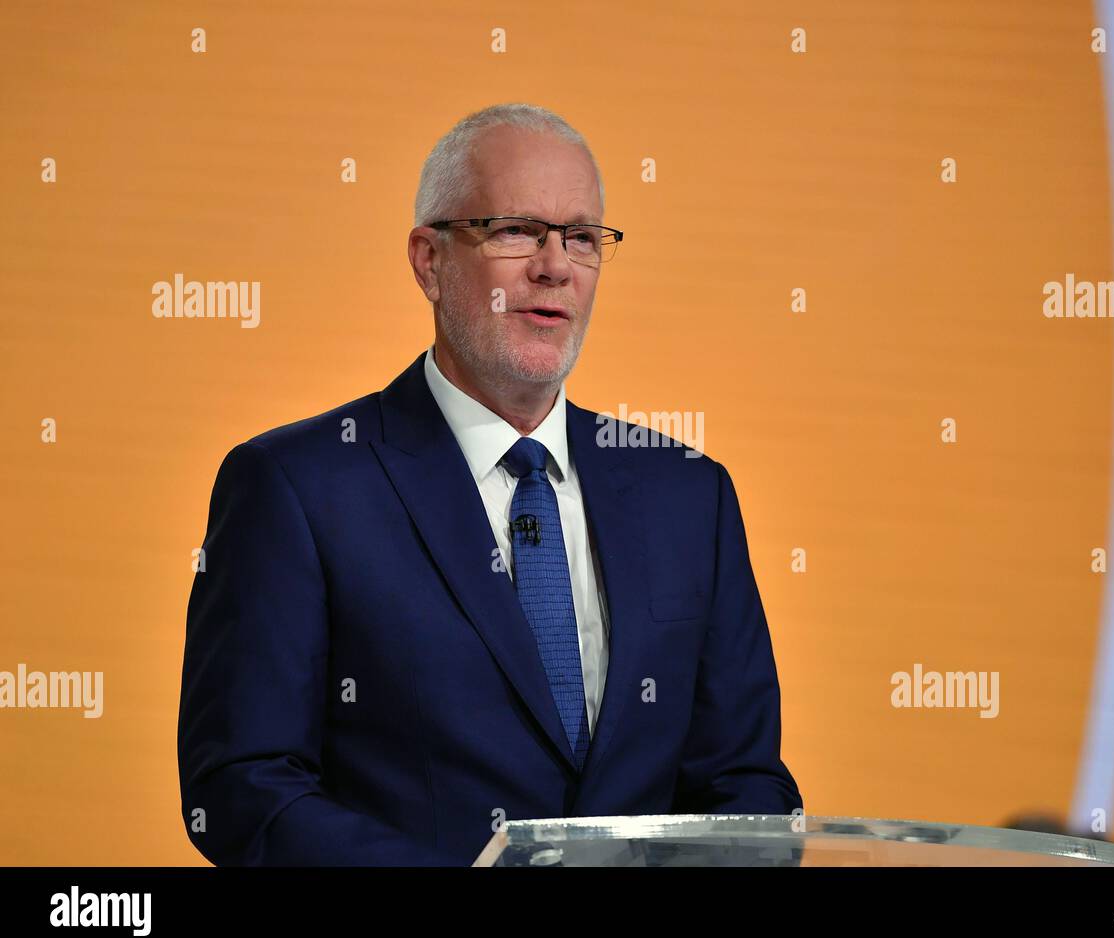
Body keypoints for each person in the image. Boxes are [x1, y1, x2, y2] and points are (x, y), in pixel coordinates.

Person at [178, 102, 802, 866]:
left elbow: (742, 783)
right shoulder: (295, 488)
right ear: (428, 260)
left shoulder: (690, 495)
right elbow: (241, 787)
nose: (555, 264)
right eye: (514, 230)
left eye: (581, 236)